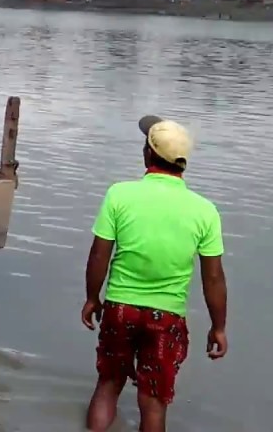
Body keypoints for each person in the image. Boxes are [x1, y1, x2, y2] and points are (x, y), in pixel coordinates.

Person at [82, 116, 228, 432]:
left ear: (148, 154)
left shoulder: (119, 195)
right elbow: (213, 278)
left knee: (108, 384)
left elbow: (98, 254)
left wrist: (93, 298)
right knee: (153, 402)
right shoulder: (205, 211)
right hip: (167, 318)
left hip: (120, 309)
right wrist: (218, 327)